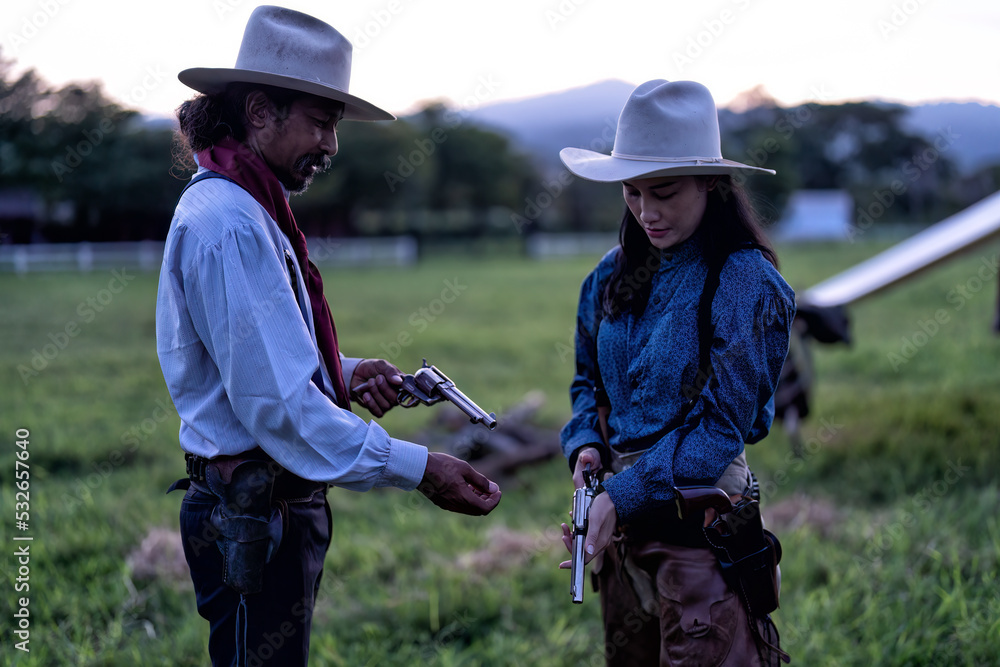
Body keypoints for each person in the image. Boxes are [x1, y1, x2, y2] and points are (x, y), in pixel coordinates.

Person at [155, 6, 501, 665]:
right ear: (259, 112)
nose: (332, 146)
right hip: (252, 513)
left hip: (264, 506)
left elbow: (257, 360)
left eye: (334, 125)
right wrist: (423, 468)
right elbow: (278, 404)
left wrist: (341, 371)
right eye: (320, 121)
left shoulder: (245, 205)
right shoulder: (229, 222)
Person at [557, 80, 795, 665]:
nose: (645, 212)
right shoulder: (607, 277)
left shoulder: (744, 282)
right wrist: (587, 446)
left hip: (701, 520)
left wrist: (620, 494)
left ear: (711, 185)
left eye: (663, 192)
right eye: (632, 194)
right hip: (620, 524)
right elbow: (588, 383)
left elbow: (720, 430)